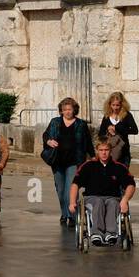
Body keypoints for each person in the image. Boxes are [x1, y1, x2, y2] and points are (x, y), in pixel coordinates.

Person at [68, 136, 135, 245]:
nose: (104, 153)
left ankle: (111, 233)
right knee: (98, 202)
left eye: (106, 150)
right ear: (97, 151)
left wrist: (125, 200)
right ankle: (97, 233)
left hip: (113, 197)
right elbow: (75, 184)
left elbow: (131, 185)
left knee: (113, 203)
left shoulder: (119, 167)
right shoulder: (88, 166)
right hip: (92, 198)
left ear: (111, 150)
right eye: (101, 150)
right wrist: (72, 202)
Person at [42, 97, 95, 227]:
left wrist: (93, 156)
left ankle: (72, 216)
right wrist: (48, 141)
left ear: (74, 110)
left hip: (74, 162)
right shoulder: (55, 122)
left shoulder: (81, 124)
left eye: (69, 109)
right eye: (64, 109)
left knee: (70, 191)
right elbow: (46, 135)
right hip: (57, 161)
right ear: (61, 110)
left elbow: (88, 142)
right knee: (60, 191)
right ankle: (64, 213)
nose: (67, 112)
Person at [97, 91, 139, 166]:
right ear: (109, 104)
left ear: (122, 105)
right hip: (110, 153)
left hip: (124, 151)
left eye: (117, 105)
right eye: (113, 105)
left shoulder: (127, 115)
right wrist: (108, 131)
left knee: (123, 175)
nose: (115, 108)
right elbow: (101, 133)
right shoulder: (106, 117)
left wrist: (117, 128)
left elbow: (135, 130)